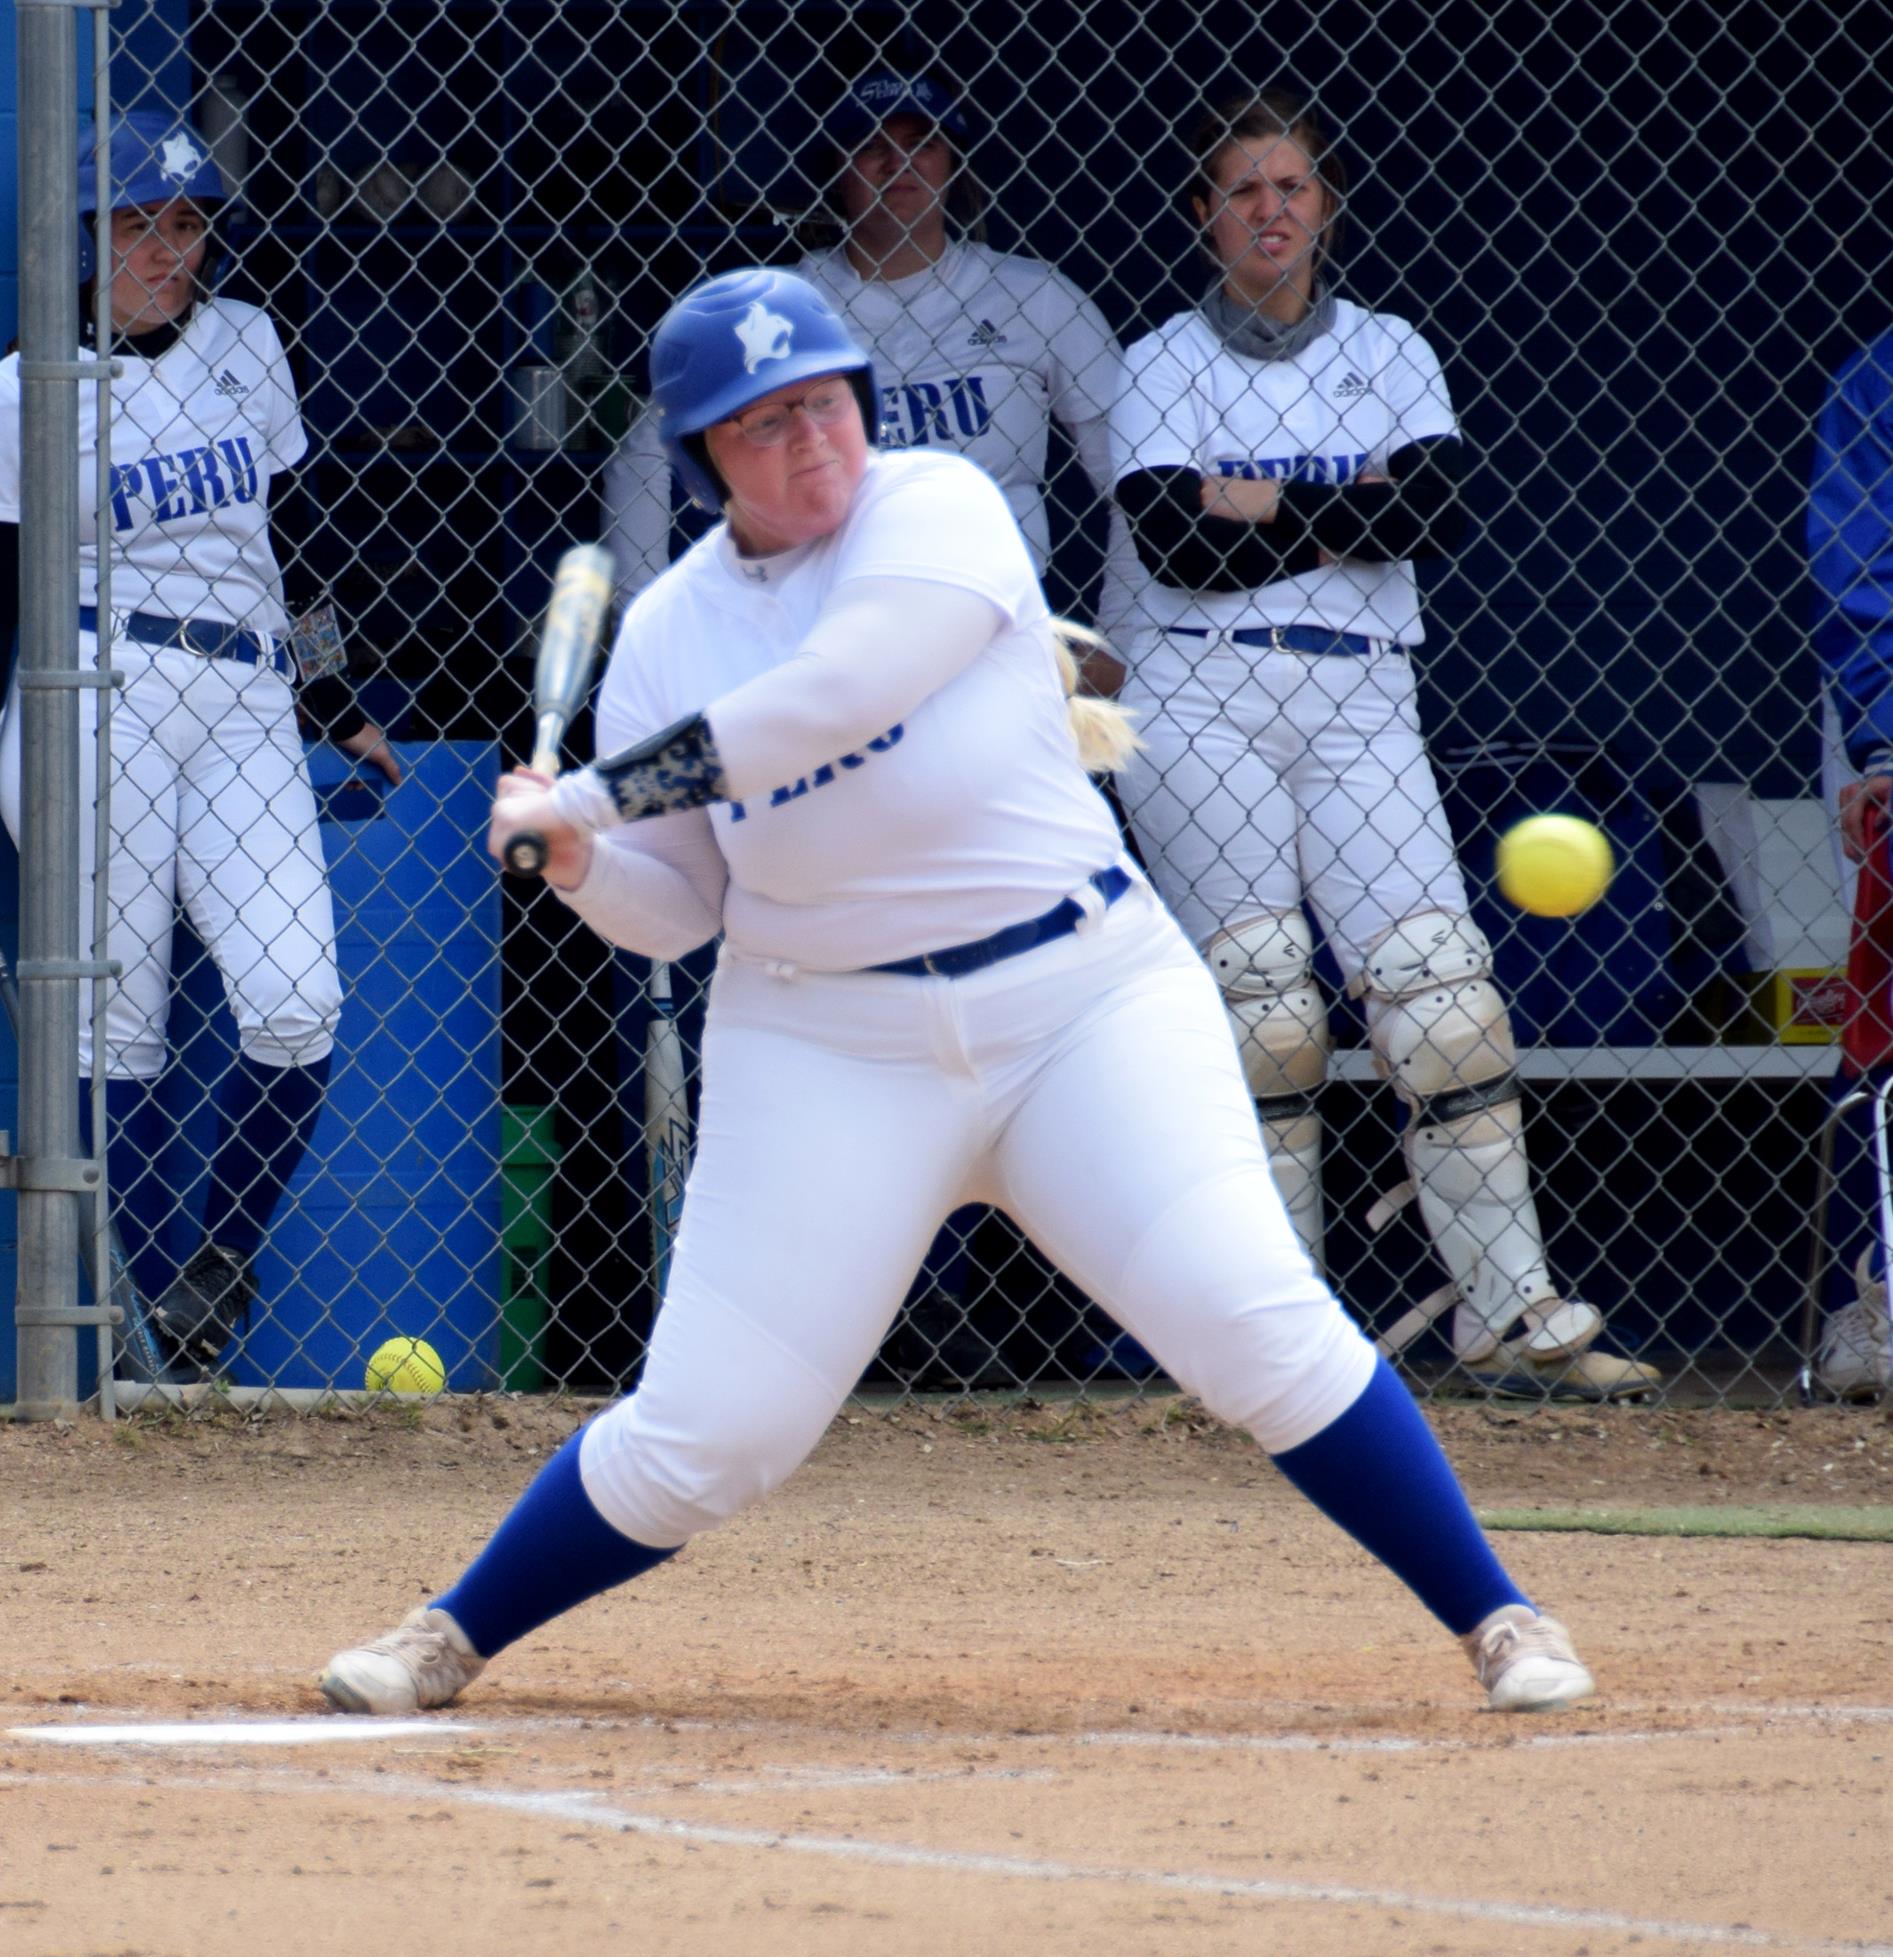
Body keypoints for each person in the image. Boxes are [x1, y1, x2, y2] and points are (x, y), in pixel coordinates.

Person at [319, 265, 1597, 1718]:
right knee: (710, 1432)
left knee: (1251, 1321)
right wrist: (573, 861)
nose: (807, 443)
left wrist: (597, 792)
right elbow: (678, 914)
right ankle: (452, 1631)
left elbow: (836, 694)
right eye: (761, 426)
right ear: (702, 460)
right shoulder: (672, 632)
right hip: (824, 1040)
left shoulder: (937, 509)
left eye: (821, 404)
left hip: (1080, 1006)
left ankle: (1501, 1613)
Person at [1107, 86, 1658, 1403]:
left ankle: (1504, 1306)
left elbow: (1434, 510)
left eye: (1290, 186)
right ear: (1203, 217)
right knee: (1266, 1012)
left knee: (1441, 991)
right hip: (1196, 695)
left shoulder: (1394, 348)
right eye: (1241, 188)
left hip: (1361, 695)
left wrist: (1264, 503)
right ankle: (1271, 1335)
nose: (1269, 211)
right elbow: (1174, 543)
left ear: (1326, 206)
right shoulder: (1158, 363)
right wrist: (1340, 504)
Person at [603, 69, 1132, 1386]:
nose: (898, 171)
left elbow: (1141, 467)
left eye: (921, 147)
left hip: (1007, 685)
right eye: (869, 151)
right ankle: (901, 1306)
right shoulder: (785, 314)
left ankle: (1055, 1300)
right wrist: (654, 619)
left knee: (1044, 970)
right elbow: (638, 458)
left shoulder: (1031, 300)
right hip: (825, 701)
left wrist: (1111, 648)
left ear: (954, 162)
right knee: (884, 977)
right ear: (833, 170)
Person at [0, 112, 399, 1382]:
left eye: (186, 222)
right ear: (85, 237)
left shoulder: (248, 340)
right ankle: (110, 1327)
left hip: (243, 691)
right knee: (120, 1028)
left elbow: (299, 532)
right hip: (95, 677)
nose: (167, 248)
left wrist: (334, 699)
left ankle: (214, 1270)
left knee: (295, 998)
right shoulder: (27, 376)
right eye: (137, 223)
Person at [1809, 324, 1893, 1399]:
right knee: (1887, 1005)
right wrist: (1885, 734)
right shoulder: (1881, 374)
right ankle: (1878, 1287)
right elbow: (1857, 565)